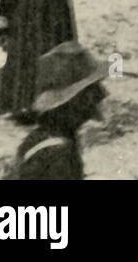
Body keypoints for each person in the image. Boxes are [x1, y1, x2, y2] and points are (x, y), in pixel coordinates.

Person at [10, 41, 108, 180]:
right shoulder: (60, 155)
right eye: (93, 91)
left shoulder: (36, 139)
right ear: (74, 102)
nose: (102, 94)